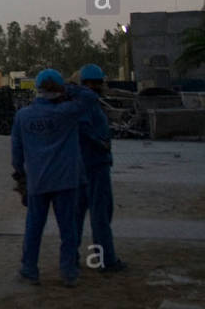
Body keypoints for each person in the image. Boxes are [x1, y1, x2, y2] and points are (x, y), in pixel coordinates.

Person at [11, 68, 85, 287]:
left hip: (37, 179)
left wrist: (20, 175)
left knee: (34, 227)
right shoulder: (68, 112)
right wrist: (69, 88)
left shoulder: (23, 116)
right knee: (68, 229)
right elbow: (89, 97)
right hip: (65, 179)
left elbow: (17, 151)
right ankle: (69, 272)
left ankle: (29, 269)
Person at [68, 65, 125, 273]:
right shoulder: (87, 102)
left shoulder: (78, 100)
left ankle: (71, 258)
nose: (102, 87)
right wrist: (100, 143)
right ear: (93, 83)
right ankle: (104, 260)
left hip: (81, 165)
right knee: (100, 216)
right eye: (100, 83)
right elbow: (84, 127)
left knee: (76, 216)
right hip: (95, 165)